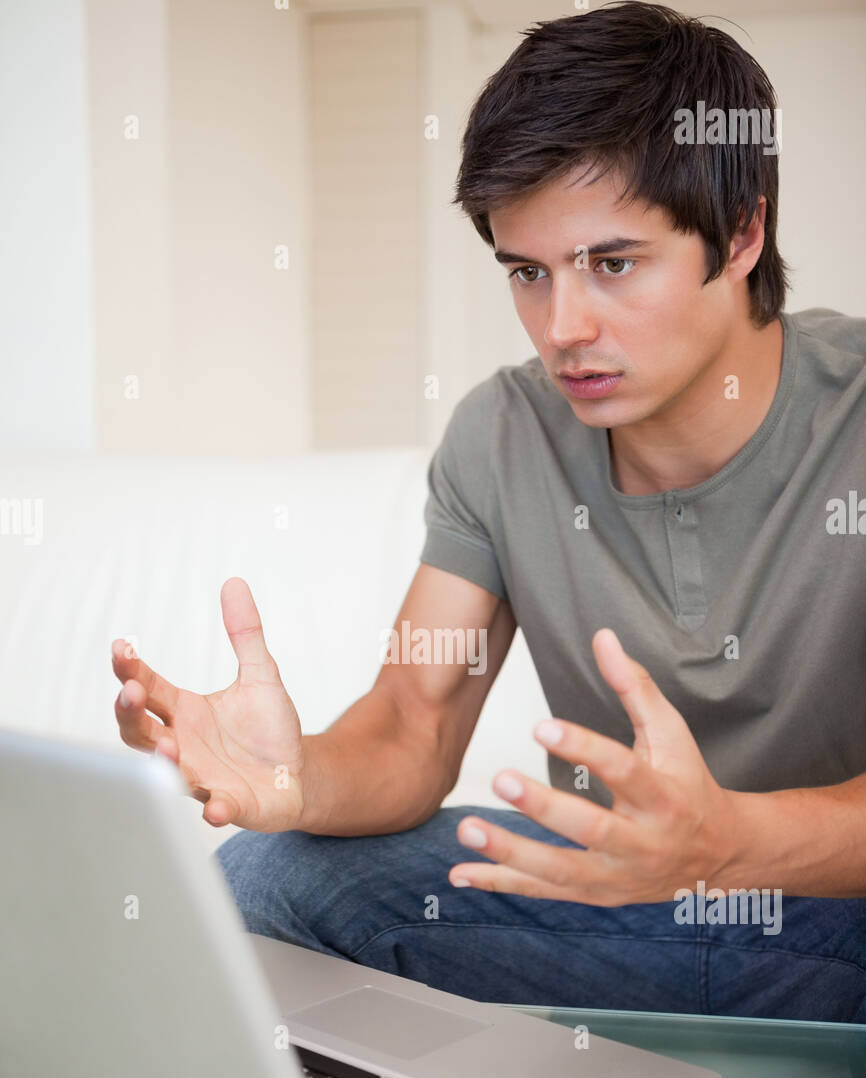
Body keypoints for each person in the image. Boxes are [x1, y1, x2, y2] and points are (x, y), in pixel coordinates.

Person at [112, 3, 866, 1022]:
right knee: (266, 875)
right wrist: (298, 778)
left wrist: (730, 842)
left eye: (611, 263)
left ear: (738, 233)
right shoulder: (502, 433)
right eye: (526, 273)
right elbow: (412, 724)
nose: (562, 329)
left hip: (832, 914)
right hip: (608, 914)